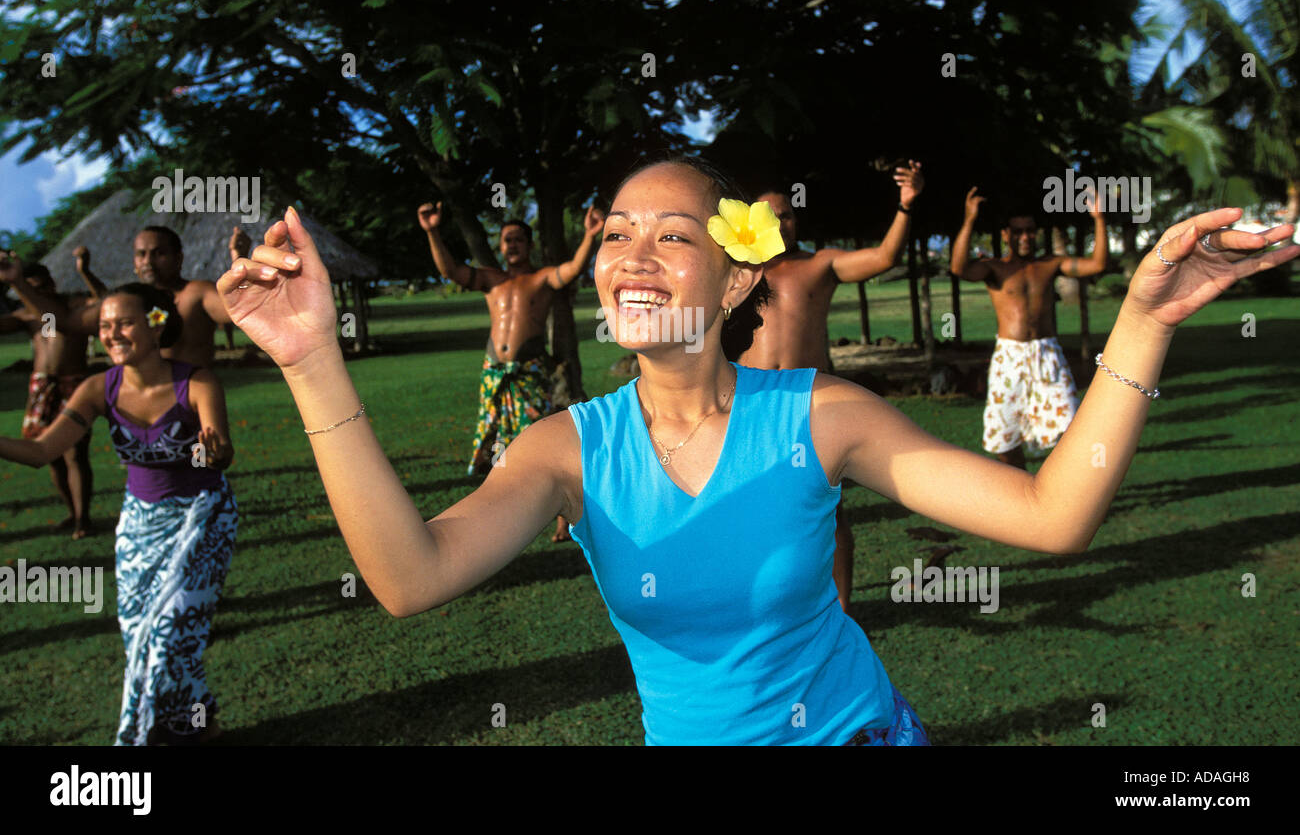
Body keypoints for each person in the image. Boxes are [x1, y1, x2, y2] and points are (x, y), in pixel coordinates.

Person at [219, 159, 1295, 746]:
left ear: (735, 284)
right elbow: (407, 580)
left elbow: (1055, 515)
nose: (633, 254)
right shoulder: (564, 452)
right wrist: (313, 361)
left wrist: (1145, 322)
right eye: (619, 233)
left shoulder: (821, 414)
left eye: (673, 233)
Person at [0, 272, 238, 746]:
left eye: (124, 324)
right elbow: (41, 452)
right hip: (139, 525)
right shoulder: (96, 389)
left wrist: (214, 452)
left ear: (155, 324)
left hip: (201, 518)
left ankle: (175, 729)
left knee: (172, 633)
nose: (111, 334)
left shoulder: (197, 382)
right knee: (140, 637)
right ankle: (199, 722)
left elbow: (222, 450)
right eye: (105, 326)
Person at [740, 162, 922, 613]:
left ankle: (841, 610)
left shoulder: (819, 264)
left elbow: (883, 258)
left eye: (787, 213)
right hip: (749, 403)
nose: (781, 221)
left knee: (827, 510)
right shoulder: (736, 275)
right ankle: (766, 603)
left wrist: (905, 206)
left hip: (809, 404)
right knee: (751, 508)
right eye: (769, 215)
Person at [417, 200, 604, 541]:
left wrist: (591, 235)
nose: (512, 244)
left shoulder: (542, 279)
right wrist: (432, 231)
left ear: (529, 245)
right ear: (500, 247)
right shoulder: (492, 280)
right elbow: (450, 272)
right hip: (494, 374)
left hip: (529, 373)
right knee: (495, 445)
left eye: (519, 238)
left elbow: (573, 269)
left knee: (539, 442)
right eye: (507, 239)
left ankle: (564, 515)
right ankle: (501, 512)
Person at [950, 187, 1108, 468]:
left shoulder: (1049, 265)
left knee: (1071, 426)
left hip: (1047, 354)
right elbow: (959, 268)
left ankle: (1062, 489)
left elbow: (1097, 264)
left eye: (1030, 231)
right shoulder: (994, 268)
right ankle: (1020, 486)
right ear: (1005, 235)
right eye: (1017, 231)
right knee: (1005, 430)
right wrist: (969, 220)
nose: (1025, 237)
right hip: (1009, 357)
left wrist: (1098, 218)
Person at [0, 248, 106, 537]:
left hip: (73, 385)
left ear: (52, 284)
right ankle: (72, 513)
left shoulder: (74, 309)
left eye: (42, 288)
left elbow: (107, 302)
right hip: (41, 388)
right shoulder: (25, 315)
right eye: (30, 291)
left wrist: (85, 271)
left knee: (75, 453)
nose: (38, 296)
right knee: (50, 454)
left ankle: (84, 519)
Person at [64, 225, 250, 368]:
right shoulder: (127, 301)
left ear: (179, 258)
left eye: (159, 253)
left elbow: (238, 308)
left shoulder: (196, 293)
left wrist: (239, 260)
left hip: (189, 401)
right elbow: (67, 321)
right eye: (141, 254)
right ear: (134, 261)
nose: (148, 262)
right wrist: (85, 273)